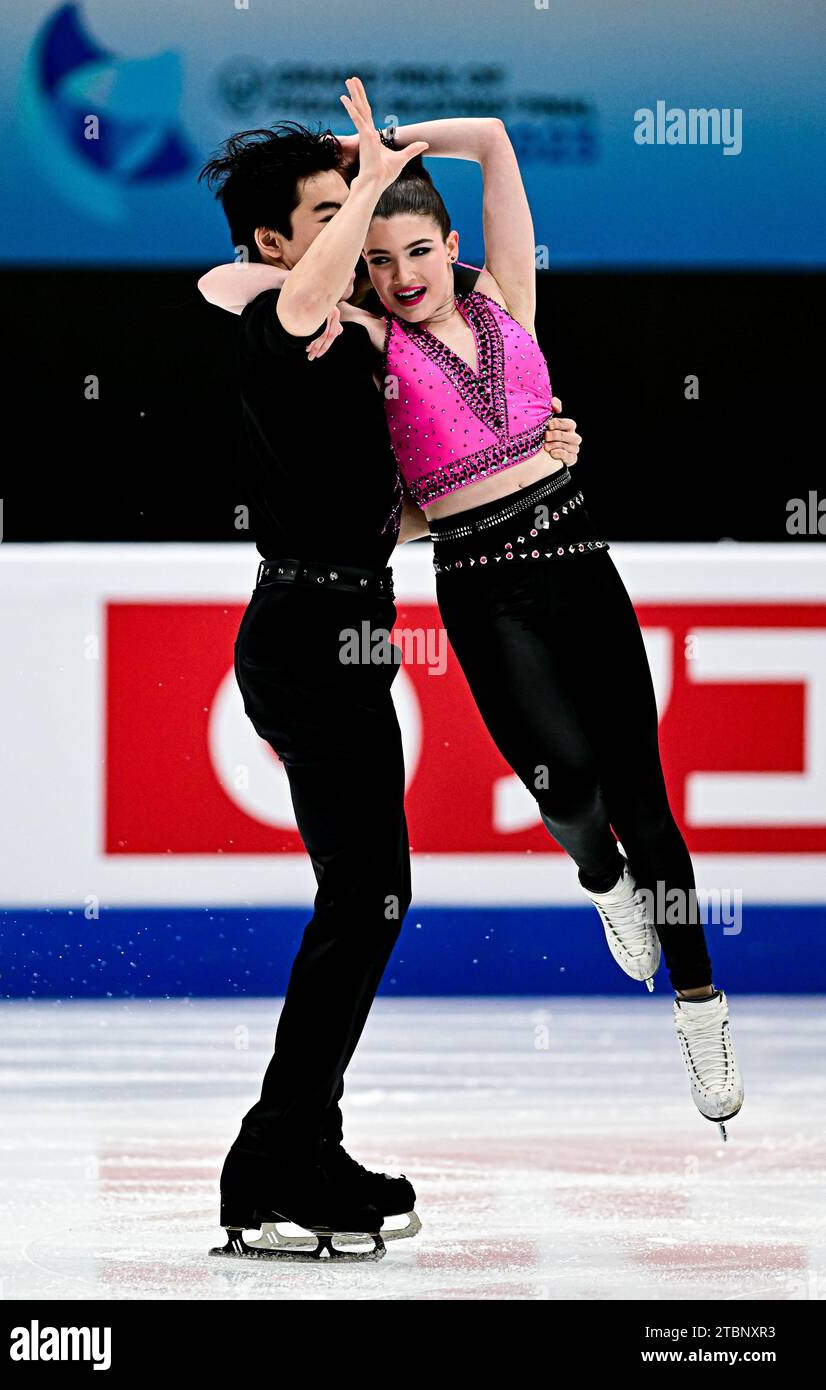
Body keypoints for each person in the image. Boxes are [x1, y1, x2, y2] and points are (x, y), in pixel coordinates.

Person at [202, 78, 744, 1141]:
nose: (400, 277)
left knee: (647, 799)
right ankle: (600, 880)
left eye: (417, 253)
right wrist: (354, 178)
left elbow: (492, 138)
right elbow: (227, 285)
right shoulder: (369, 348)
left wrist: (382, 146)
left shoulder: (503, 299)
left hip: (579, 560)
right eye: (378, 261)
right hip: (481, 588)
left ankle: (700, 1005)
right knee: (574, 792)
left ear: (449, 248)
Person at [196, 112, 586, 1258]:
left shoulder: (353, 338)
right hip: (306, 639)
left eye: (365, 206)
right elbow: (268, 295)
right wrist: (367, 187)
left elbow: (392, 515)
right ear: (276, 243)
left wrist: (524, 460)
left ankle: (289, 1143)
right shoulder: (284, 323)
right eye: (335, 213)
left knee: (365, 899)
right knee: (365, 898)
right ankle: (276, 1155)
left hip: (342, 619)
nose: (365, 225)